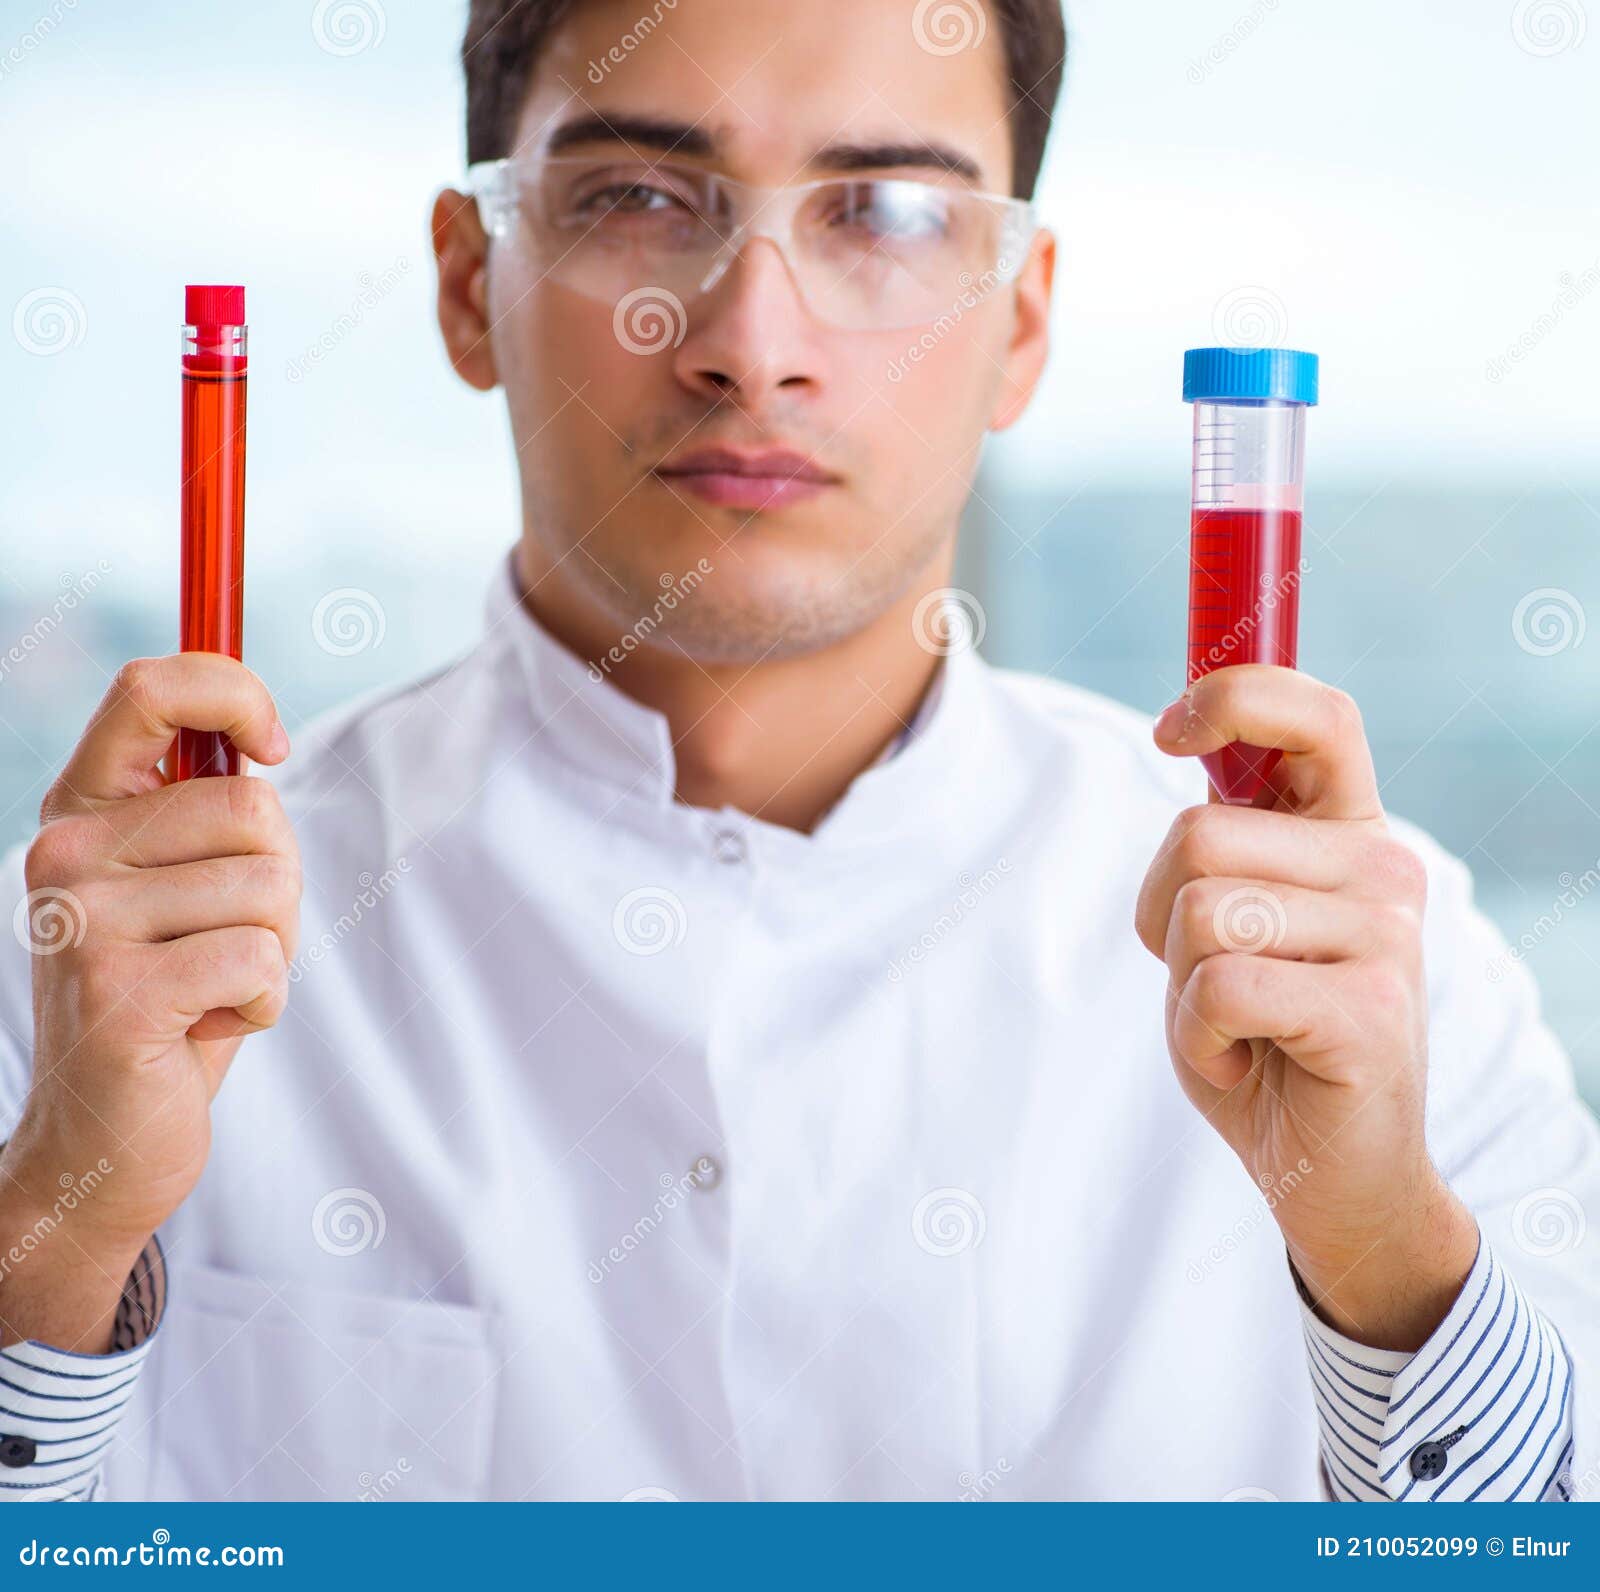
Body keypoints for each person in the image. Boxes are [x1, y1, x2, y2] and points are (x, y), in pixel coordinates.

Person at [0, 0, 1594, 1503]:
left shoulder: (1386, 973)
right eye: (638, 193)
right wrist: (56, 1234)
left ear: (1021, 322)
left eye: (883, 211)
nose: (753, 344)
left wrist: (1382, 1252)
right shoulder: (97, 972)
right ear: (468, 280)